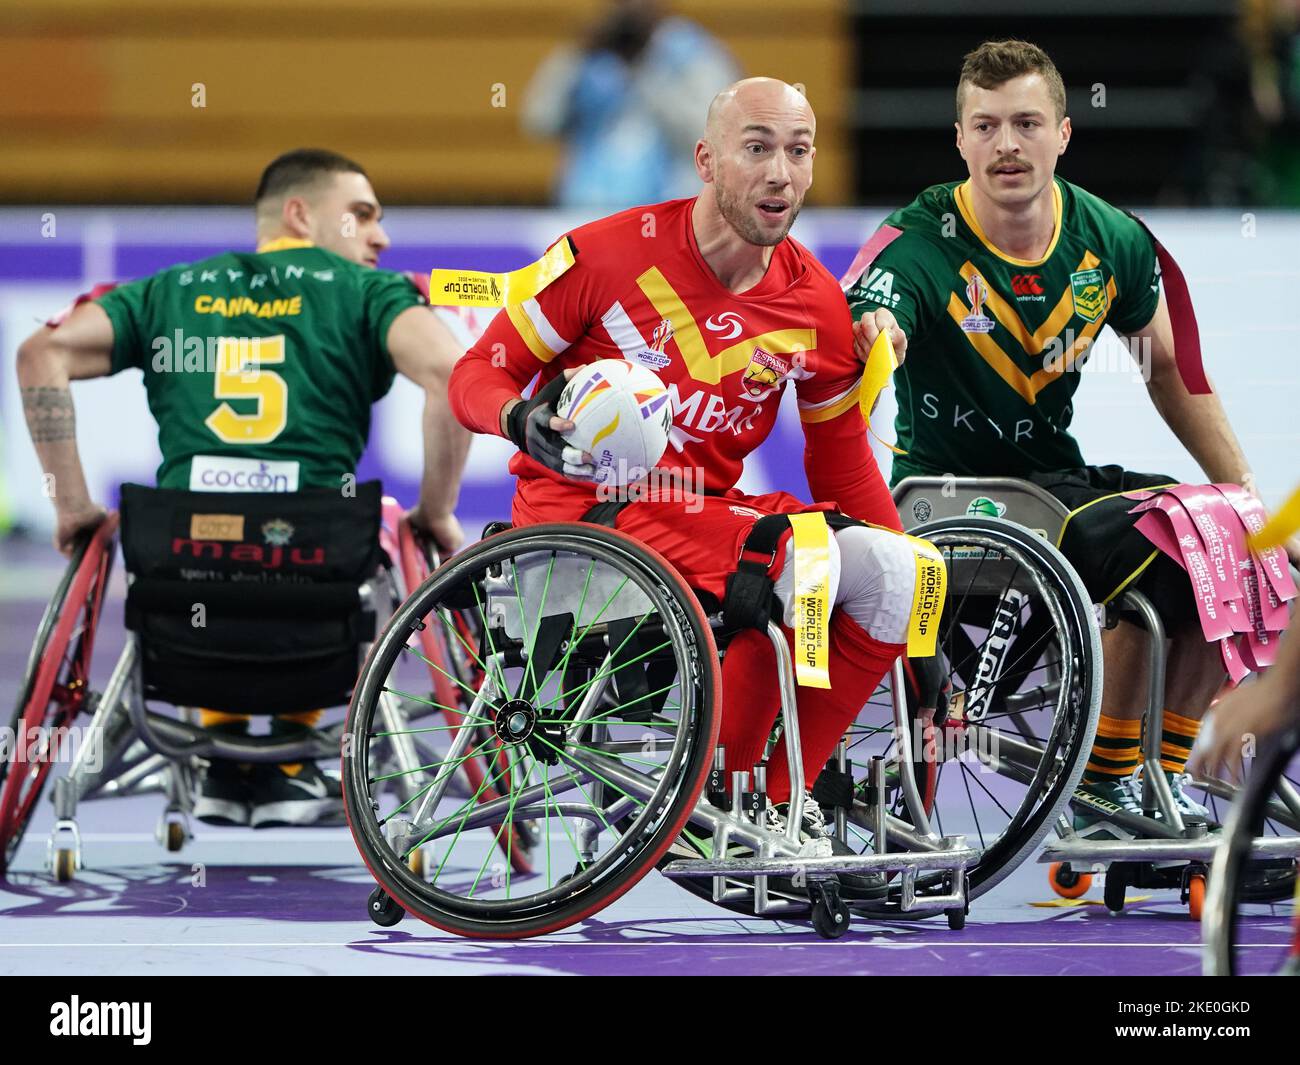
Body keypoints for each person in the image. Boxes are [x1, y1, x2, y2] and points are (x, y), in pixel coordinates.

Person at [844, 39, 1300, 841]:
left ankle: (1150, 775)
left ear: (1063, 133)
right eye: (985, 126)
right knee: (1165, 530)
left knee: (1216, 531)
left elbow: (1177, 375)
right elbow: (862, 315)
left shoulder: (1113, 241)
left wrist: (1253, 509)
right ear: (960, 140)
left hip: (1052, 486)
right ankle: (1104, 785)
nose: (1006, 145)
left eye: (1026, 123)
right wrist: (874, 333)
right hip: (945, 501)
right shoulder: (917, 241)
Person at [450, 77, 916, 856]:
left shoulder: (817, 308)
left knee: (894, 573)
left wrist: (916, 615)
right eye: (757, 148)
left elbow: (843, 472)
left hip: (703, 518)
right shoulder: (602, 254)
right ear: (706, 158)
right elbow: (476, 372)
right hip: (583, 517)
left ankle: (775, 795)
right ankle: (723, 797)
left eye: (798, 152)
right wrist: (518, 417)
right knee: (793, 558)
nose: (781, 173)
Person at [16, 148, 471, 828]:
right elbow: (452, 376)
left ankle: (223, 755)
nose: (380, 236)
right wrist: (437, 510)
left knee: (209, 551)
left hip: (182, 563)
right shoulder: (369, 292)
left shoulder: (167, 289)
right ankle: (291, 758)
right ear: (299, 213)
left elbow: (39, 353)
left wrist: (71, 505)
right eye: (362, 215)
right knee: (372, 529)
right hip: (315, 564)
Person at [522, 0, 740, 208]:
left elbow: (714, 134)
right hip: (588, 207)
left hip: (669, 210)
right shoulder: (591, 54)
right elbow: (539, 122)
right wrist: (574, 56)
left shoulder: (694, 54)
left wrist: (645, 73)